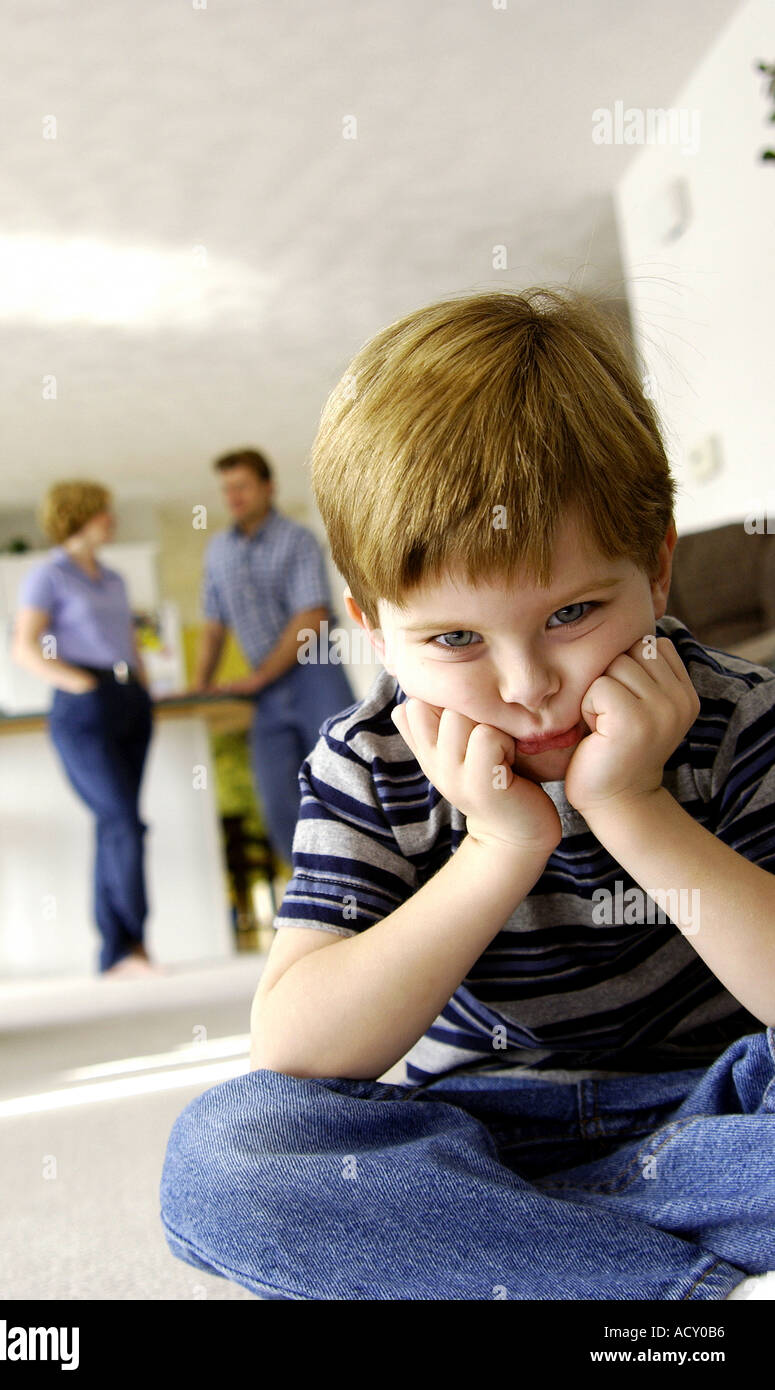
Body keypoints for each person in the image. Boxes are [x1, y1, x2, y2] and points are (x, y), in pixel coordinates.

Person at [159, 287, 775, 1300]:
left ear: (656, 567)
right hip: (475, 1142)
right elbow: (299, 1048)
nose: (528, 685)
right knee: (227, 1158)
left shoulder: (738, 718)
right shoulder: (367, 764)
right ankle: (694, 1293)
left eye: (572, 612)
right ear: (371, 628)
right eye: (453, 639)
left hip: (721, 1112)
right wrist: (496, 852)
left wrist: (634, 809)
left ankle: (547, 1268)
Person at [12, 481, 158, 978]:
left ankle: (113, 954)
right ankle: (131, 946)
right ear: (79, 516)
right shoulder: (47, 576)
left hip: (130, 701)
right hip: (84, 709)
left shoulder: (114, 578)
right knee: (124, 823)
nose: (112, 520)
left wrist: (142, 684)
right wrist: (79, 683)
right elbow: (24, 646)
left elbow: (127, 640)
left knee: (115, 824)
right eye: (104, 512)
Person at [191, 448, 357, 865]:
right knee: (278, 801)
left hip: (315, 674)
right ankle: (313, 889)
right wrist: (199, 687)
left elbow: (313, 615)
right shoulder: (218, 552)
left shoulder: (297, 540)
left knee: (345, 776)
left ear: (268, 487)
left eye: (242, 485)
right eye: (227, 488)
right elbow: (213, 626)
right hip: (264, 693)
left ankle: (372, 881)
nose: (233, 496)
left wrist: (260, 677)